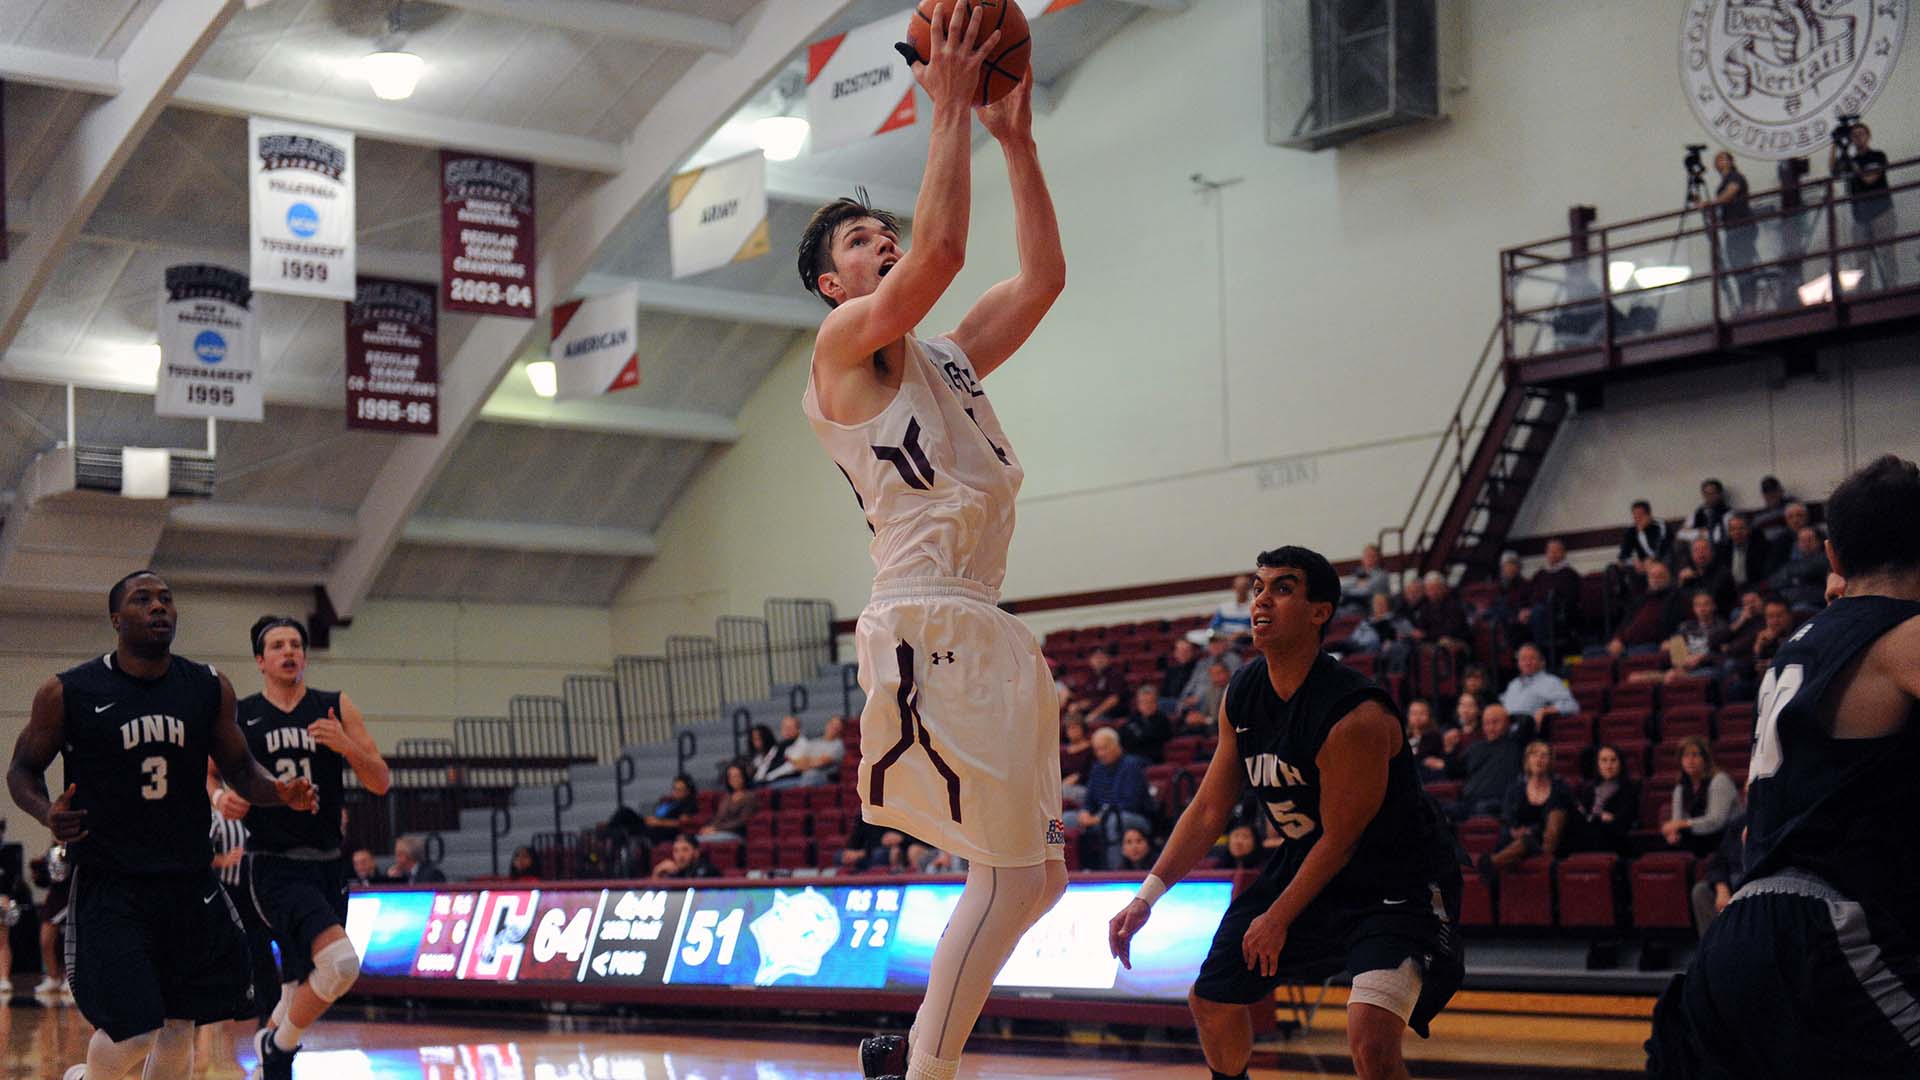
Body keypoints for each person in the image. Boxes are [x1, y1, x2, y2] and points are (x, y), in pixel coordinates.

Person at [1108, 547, 1462, 1080]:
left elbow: (1342, 839)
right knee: (1212, 1000)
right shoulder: (1243, 692)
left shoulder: (1355, 715)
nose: (1262, 600)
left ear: (1320, 611)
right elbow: (1208, 810)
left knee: (1371, 1043)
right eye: (1257, 587)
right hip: (1307, 861)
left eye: (1283, 588)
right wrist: (1147, 895)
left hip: (1395, 877)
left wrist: (1277, 917)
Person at [1649, 454, 1920, 1078]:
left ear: (1832, 559)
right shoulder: (1903, 638)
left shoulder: (1796, 649)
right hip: (1826, 931)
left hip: (1737, 939)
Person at [6, 570, 317, 1080]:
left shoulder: (206, 686)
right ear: (115, 619)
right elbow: (22, 770)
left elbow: (240, 769)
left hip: (188, 881)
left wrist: (277, 791)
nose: (158, 607)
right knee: (134, 1030)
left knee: (179, 1025)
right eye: (142, 599)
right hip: (113, 883)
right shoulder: (70, 691)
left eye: (166, 600)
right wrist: (47, 814)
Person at [217, 614, 391, 1079]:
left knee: (302, 983)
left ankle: (272, 1046)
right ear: (260, 659)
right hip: (273, 864)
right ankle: (279, 1046)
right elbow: (207, 771)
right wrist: (220, 797)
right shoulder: (243, 715)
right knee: (340, 964)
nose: (289, 652)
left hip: (329, 865)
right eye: (278, 645)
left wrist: (346, 747)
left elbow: (380, 780)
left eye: (295, 644)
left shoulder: (334, 707)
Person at [209, 803, 277, 1026]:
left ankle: (269, 1009)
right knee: (236, 949)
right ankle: (238, 1004)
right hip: (230, 891)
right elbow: (197, 851)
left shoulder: (255, 807)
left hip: (259, 886)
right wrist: (223, 859)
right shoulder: (214, 813)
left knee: (261, 949)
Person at [1482, 741, 1574, 875]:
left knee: (1527, 841)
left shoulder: (1560, 789)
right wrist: (1514, 831)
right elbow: (1507, 818)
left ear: (1551, 761)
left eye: (1544, 755)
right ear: (1527, 760)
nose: (1539, 759)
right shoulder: (1515, 789)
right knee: (1521, 841)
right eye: (1534, 755)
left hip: (1546, 842)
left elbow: (1558, 823)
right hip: (1515, 840)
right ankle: (1492, 865)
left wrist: (1531, 830)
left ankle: (1489, 864)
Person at [1831, 121, 1897, 290]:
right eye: (1854, 135)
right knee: (1861, 258)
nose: (1858, 138)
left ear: (1868, 136)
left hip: (1881, 212)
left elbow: (1870, 179)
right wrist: (1835, 144)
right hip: (1859, 216)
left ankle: (1892, 289)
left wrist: (1853, 165)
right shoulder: (1851, 160)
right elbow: (1834, 171)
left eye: (1861, 134)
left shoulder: (1877, 156)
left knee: (1886, 253)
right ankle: (1866, 294)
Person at [1076, 728, 1153, 868]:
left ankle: (1115, 872)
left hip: (1133, 816)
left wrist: (1099, 818)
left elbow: (1130, 803)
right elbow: (1089, 800)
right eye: (1097, 750)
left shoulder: (1131, 766)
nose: (1100, 754)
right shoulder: (1097, 769)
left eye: (1104, 748)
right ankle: (1077, 871)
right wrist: (1085, 812)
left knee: (1112, 822)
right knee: (1065, 820)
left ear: (1116, 745)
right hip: (1102, 815)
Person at [1660, 736, 1739, 858]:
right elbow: (1677, 821)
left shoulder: (1719, 781)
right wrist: (1674, 834)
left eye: (1695, 755)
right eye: (1685, 756)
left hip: (1726, 839)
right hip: (1699, 839)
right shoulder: (1680, 787)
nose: (1690, 760)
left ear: (1706, 759)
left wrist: (1681, 824)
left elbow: (1716, 822)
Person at [1448, 704, 1530, 820]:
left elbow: (1528, 721)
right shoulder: (1474, 748)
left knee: (1482, 809)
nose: (1491, 727)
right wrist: (1449, 751)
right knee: (1440, 811)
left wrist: (1509, 716)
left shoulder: (1516, 744)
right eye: (1486, 723)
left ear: (1508, 723)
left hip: (1497, 802)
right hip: (1468, 802)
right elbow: (1453, 773)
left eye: (1496, 722)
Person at [1572, 743, 1640, 855]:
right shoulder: (1589, 789)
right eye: (1604, 760)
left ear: (1620, 764)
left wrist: (1601, 818)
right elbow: (1582, 812)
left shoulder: (1630, 788)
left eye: (1613, 760)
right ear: (1598, 764)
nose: (1609, 765)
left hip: (1615, 835)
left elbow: (1625, 817)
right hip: (1589, 831)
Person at [1690, 806, 1745, 940]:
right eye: (1748, 794)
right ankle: (1711, 954)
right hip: (1732, 886)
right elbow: (1718, 861)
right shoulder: (1738, 824)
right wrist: (1721, 887)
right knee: (1701, 890)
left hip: (1759, 889)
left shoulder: (1779, 824)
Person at [1499, 644, 1579, 728]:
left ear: (1542, 662)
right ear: (1518, 663)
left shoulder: (1550, 682)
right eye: (1523, 659)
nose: (1527, 662)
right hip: (1505, 730)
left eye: (1532, 658)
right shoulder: (1513, 684)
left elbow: (1572, 706)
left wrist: (1545, 711)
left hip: (1528, 732)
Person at [1665, 591, 1730, 686]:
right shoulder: (1686, 626)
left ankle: (1682, 678)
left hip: (1709, 668)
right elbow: (1672, 647)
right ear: (1693, 608)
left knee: (1710, 673)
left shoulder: (1721, 627)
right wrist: (1683, 661)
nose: (1702, 609)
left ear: (1714, 606)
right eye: (1698, 605)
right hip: (1686, 667)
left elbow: (1723, 653)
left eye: (1706, 604)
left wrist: (1701, 658)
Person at [1768, 526, 1831, 612]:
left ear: (1818, 542)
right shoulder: (1794, 562)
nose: (1806, 544)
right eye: (1802, 541)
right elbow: (1774, 582)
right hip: (1794, 602)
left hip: (1817, 604)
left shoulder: (1825, 558)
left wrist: (1792, 579)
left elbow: (1808, 570)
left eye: (1809, 540)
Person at [1677, 535, 1737, 616]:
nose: (1700, 553)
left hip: (1717, 618)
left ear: (1712, 552)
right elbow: (1680, 602)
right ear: (1691, 555)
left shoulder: (1723, 573)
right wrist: (1680, 583)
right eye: (1696, 550)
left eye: (1704, 549)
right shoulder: (1687, 574)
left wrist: (1698, 577)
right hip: (1692, 621)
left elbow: (1710, 599)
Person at [1116, 683, 1173, 764]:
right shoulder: (1134, 717)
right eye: (1143, 702)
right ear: (1138, 704)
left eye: (1150, 702)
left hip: (1150, 759)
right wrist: (1136, 734)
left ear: (1156, 703)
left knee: (1128, 763)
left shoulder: (1162, 719)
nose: (1147, 705)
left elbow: (1145, 737)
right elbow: (1122, 734)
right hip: (1131, 756)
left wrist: (1134, 733)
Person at [699, 763, 757, 843]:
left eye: (737, 776)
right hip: (720, 831)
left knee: (699, 841)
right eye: (730, 776)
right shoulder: (727, 797)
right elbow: (718, 817)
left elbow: (742, 821)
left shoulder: (750, 797)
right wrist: (709, 827)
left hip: (736, 834)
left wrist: (716, 829)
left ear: (744, 777)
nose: (733, 779)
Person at [1071, 648, 1128, 724]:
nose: (1098, 661)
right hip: (1092, 713)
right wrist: (1077, 706)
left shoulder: (1115, 675)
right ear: (1090, 660)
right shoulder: (1092, 677)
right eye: (1096, 657)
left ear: (1108, 659)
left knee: (1090, 721)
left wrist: (1094, 714)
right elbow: (1090, 700)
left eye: (1101, 657)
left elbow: (1113, 700)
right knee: (1070, 718)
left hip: (1110, 714)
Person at [641, 774, 700, 848]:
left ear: (687, 791)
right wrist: (652, 819)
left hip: (668, 832)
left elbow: (682, 823)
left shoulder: (689, 804)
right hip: (655, 825)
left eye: (679, 790)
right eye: (674, 789)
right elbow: (658, 815)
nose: (675, 792)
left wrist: (659, 823)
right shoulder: (669, 802)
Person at [787, 716, 848, 785]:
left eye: (837, 726)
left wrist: (807, 761)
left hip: (822, 779)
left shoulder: (838, 745)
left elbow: (820, 763)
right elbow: (798, 762)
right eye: (832, 724)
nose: (833, 728)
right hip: (801, 776)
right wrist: (810, 761)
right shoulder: (814, 741)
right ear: (827, 724)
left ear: (841, 729)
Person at [1338, 544, 1394, 615]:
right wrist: (1357, 584)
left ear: (1377, 558)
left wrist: (1350, 589)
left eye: (1372, 556)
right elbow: (1342, 587)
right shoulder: (1357, 572)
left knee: (1349, 610)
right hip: (1353, 603)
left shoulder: (1382, 575)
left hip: (1369, 608)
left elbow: (1365, 591)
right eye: (1366, 555)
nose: (1369, 558)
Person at [1617, 499, 1672, 571]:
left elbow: (1664, 548)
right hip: (1642, 564)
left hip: (1662, 560)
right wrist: (1634, 562)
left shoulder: (1660, 526)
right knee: (1612, 568)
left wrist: (1652, 560)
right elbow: (1623, 556)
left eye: (1640, 514)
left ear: (1649, 515)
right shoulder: (1631, 530)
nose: (1637, 518)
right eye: (1634, 514)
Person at [652, 833, 719, 880]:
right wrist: (657, 872)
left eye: (685, 850)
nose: (680, 855)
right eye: (676, 851)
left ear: (696, 852)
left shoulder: (707, 871)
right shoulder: (674, 871)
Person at [745, 723, 791, 788]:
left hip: (777, 783)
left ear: (766, 738)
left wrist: (768, 777)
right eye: (754, 739)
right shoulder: (756, 758)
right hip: (760, 785)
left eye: (758, 739)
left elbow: (788, 767)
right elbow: (758, 777)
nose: (756, 743)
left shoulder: (779, 751)